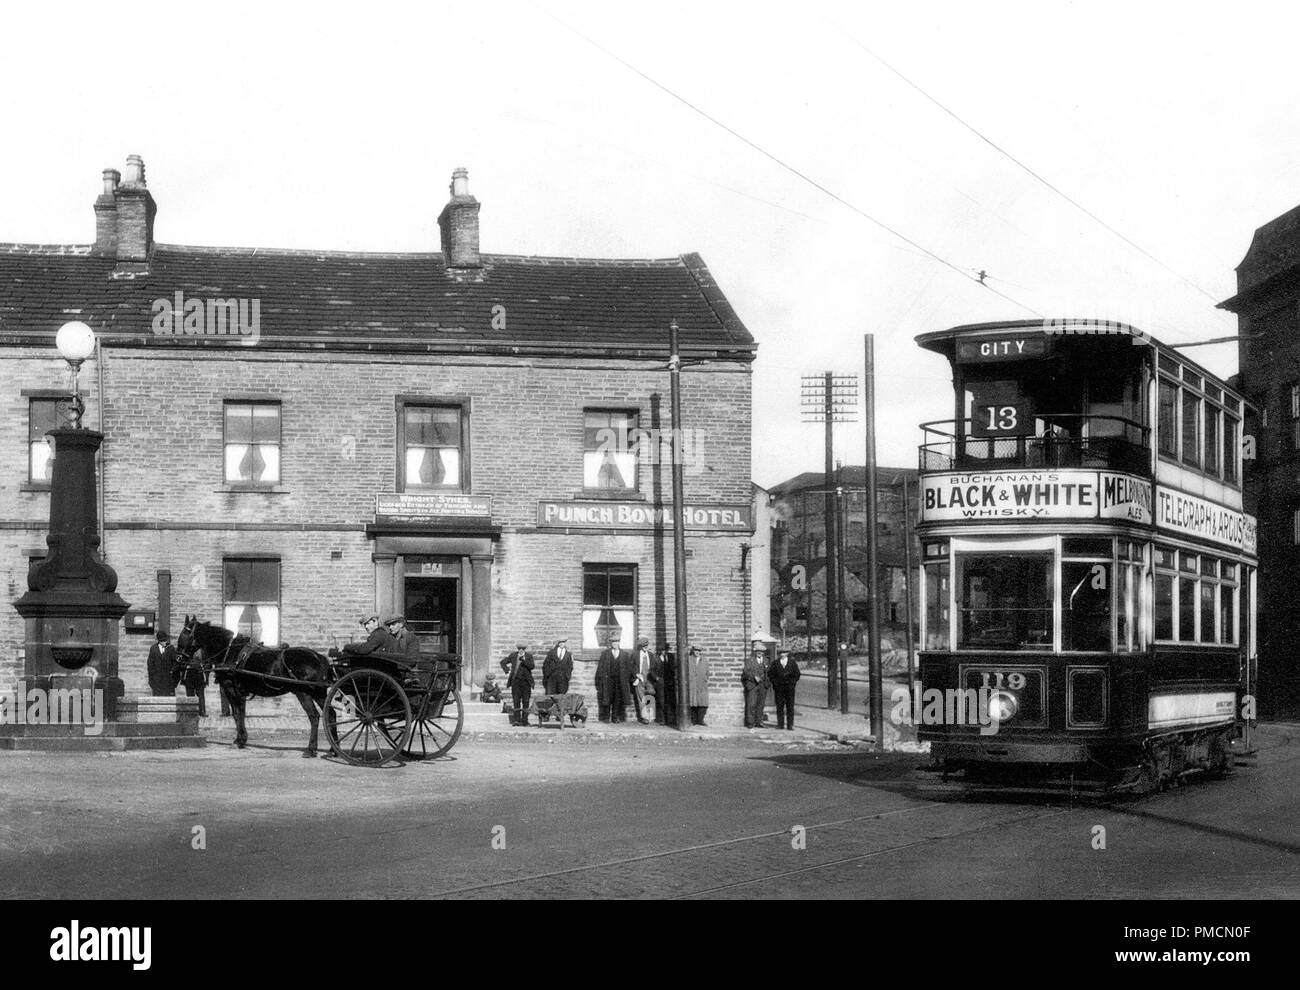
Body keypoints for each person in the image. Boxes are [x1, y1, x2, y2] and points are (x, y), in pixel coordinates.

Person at [595, 637, 632, 723]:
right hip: (608, 680)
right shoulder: (605, 653)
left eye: (616, 642)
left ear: (619, 642)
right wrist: (599, 680)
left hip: (619, 681)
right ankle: (606, 717)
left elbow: (628, 669)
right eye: (613, 642)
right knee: (608, 698)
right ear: (611, 643)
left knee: (617, 699)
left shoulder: (624, 654)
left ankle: (615, 717)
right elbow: (600, 667)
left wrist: (625, 678)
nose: (615, 644)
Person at [501, 642, 535, 726]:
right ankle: (517, 720)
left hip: (526, 682)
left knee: (526, 701)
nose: (520, 651)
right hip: (515, 682)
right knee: (516, 701)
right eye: (519, 649)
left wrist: (523, 660)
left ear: (524, 650)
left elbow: (532, 666)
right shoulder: (513, 655)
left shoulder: (529, 656)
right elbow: (503, 662)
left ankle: (525, 720)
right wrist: (506, 670)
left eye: (522, 649)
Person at [768, 648, 801, 730]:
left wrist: (792, 683)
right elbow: (770, 674)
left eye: (784, 653)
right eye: (780, 653)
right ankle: (780, 724)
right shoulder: (775, 663)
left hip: (789, 688)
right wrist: (775, 683)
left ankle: (790, 725)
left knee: (790, 706)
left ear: (787, 654)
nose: (782, 654)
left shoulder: (792, 663)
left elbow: (797, 674)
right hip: (779, 688)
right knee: (779, 706)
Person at [742, 646, 770, 729]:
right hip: (752, 685)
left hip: (763, 685)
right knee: (751, 704)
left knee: (761, 704)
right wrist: (754, 677)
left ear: (763, 652)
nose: (759, 652)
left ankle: (759, 722)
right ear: (755, 651)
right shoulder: (749, 660)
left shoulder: (766, 660)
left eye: (761, 651)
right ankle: (750, 723)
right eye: (758, 651)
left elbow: (769, 672)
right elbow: (746, 672)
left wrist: (767, 683)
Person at [649, 644, 676, 725]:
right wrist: (657, 678)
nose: (664, 652)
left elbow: (675, 667)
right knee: (661, 700)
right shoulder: (656, 658)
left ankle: (670, 720)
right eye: (662, 650)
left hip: (670, 682)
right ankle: (662, 719)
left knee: (670, 700)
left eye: (665, 650)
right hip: (660, 682)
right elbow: (652, 671)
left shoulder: (671, 657)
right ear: (660, 651)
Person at [631, 636, 653, 724]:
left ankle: (650, 715)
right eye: (644, 646)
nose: (645, 648)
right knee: (641, 698)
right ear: (640, 646)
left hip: (649, 680)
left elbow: (653, 667)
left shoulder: (651, 655)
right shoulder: (635, 655)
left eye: (647, 645)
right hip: (639, 680)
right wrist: (636, 674)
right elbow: (630, 667)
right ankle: (645, 717)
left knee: (650, 697)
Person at [146, 631, 176, 697]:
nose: (165, 642)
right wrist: (152, 678)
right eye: (163, 641)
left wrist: (172, 672)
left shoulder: (171, 648)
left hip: (168, 681)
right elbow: (150, 664)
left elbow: (175, 663)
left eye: (165, 640)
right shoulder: (153, 649)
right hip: (157, 680)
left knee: (169, 700)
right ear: (159, 641)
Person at [687, 645, 710, 726]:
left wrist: (704, 679)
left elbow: (707, 672)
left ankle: (700, 720)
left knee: (702, 702)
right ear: (693, 651)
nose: (697, 652)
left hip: (701, 684)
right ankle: (693, 720)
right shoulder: (688, 660)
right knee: (693, 702)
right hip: (692, 684)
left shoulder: (704, 661)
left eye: (699, 651)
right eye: (696, 650)